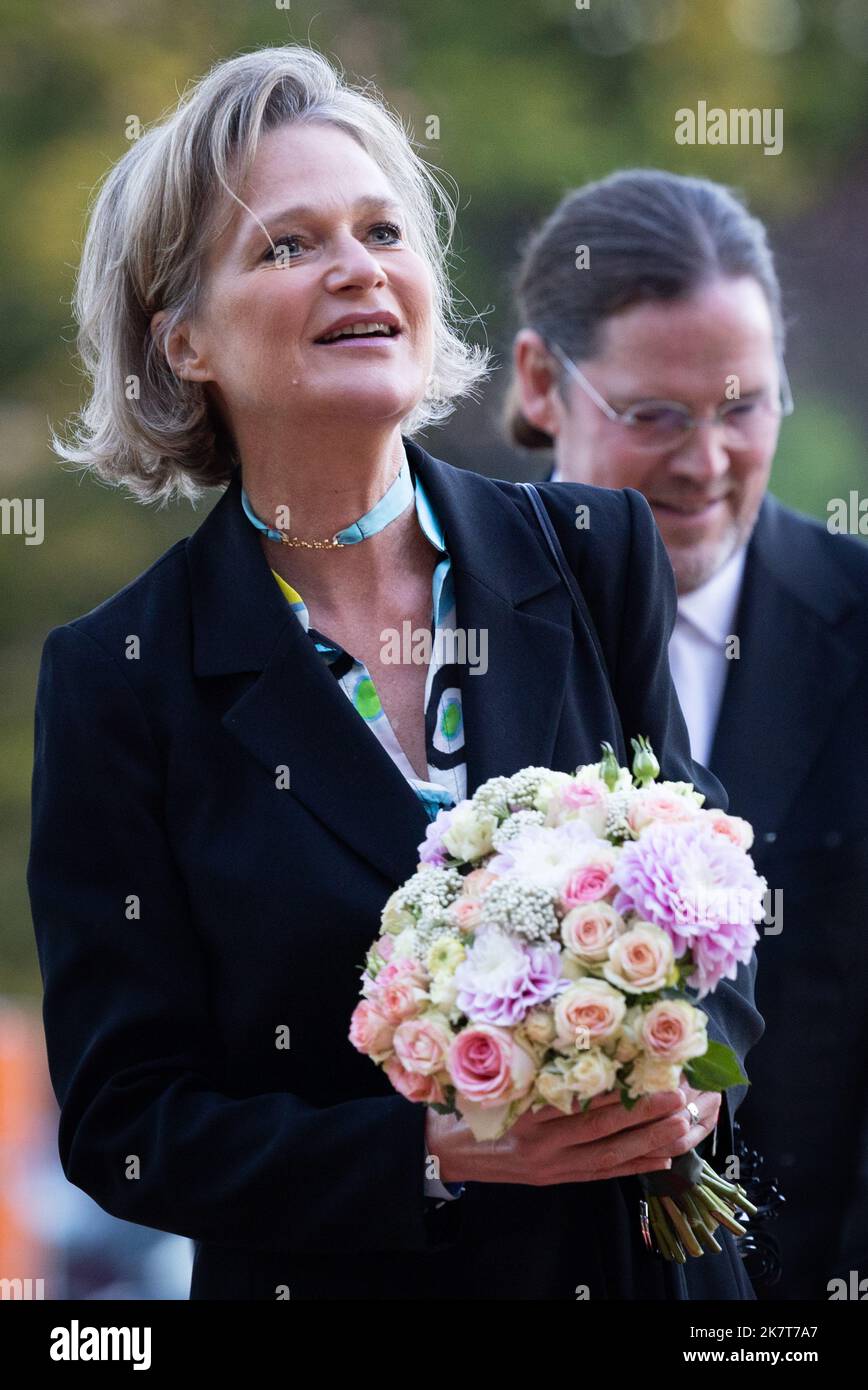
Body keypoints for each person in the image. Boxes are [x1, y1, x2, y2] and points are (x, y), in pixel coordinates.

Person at [27, 52, 760, 1301]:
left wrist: (682, 1072)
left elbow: (716, 915)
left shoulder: (594, 552)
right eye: (287, 245)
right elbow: (125, 1124)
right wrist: (434, 1151)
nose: (360, 266)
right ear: (185, 342)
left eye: (381, 230)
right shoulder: (119, 679)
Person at [505, 167, 868, 1299]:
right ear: (538, 383)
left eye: (743, 406)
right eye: (654, 414)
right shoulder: (439, 632)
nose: (706, 462)